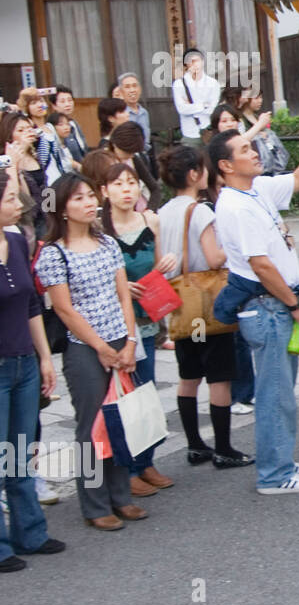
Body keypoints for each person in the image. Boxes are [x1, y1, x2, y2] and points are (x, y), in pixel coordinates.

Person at [210, 121, 299, 494]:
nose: (254, 152)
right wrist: (295, 304)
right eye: (245, 150)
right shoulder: (234, 206)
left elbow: (298, 181)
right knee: (274, 394)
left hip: (276, 306)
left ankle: (280, 459)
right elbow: (260, 265)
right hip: (268, 307)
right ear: (226, 166)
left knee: (280, 390)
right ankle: (274, 475)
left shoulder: (256, 189)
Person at [37, 173, 145, 531]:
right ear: (62, 209)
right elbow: (65, 309)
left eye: (89, 196)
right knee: (90, 426)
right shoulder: (53, 253)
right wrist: (100, 347)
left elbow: (122, 295)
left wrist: (130, 341)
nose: (89, 203)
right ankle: (94, 503)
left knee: (120, 419)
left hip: (120, 339)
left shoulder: (107, 243)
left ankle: (121, 496)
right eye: (79, 198)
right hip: (84, 346)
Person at [155, 145, 252, 467]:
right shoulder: (200, 212)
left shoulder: (164, 211)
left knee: (189, 376)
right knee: (219, 378)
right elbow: (213, 258)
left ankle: (196, 445)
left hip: (181, 304)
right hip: (207, 303)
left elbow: (162, 261)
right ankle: (224, 448)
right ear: (195, 174)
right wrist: (233, 246)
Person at [98, 161, 177, 496]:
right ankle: (126, 469)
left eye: (132, 183)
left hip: (147, 321)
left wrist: (165, 266)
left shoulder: (150, 220)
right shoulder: (100, 231)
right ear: (104, 191)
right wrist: (120, 287)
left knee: (146, 394)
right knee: (122, 397)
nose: (127, 189)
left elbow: (158, 267)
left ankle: (145, 462)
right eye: (118, 184)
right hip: (116, 327)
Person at [0, 170, 64, 572]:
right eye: (9, 196)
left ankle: (31, 533)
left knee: (20, 455)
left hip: (24, 362)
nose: (19, 203)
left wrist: (43, 358)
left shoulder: (16, 241)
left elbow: (31, 306)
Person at [0, 111, 47, 247]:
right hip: (24, 221)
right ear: (8, 134)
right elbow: (21, 197)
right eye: (20, 130)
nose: (27, 133)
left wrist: (53, 213)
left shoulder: (35, 155)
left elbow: (46, 186)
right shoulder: (6, 161)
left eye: (29, 128)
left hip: (44, 217)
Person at [107, 122, 162, 212]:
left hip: (139, 212)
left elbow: (154, 188)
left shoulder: (133, 160)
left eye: (133, 152)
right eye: (128, 152)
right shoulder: (104, 161)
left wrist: (150, 210)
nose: (131, 155)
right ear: (115, 144)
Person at [172, 49, 221, 146]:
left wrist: (192, 106)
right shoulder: (179, 84)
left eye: (197, 60)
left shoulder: (213, 83)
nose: (195, 64)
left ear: (203, 62)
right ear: (186, 65)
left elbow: (212, 109)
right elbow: (181, 109)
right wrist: (204, 105)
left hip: (209, 130)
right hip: (190, 133)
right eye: (191, 62)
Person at [117, 72, 151, 154]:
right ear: (121, 92)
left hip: (145, 154)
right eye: (127, 87)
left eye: (135, 86)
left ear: (140, 89)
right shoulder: (120, 114)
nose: (132, 90)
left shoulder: (144, 112)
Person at [52, 87, 88, 163]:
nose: (67, 104)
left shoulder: (74, 123)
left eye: (70, 100)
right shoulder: (53, 127)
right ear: (54, 106)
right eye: (62, 101)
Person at [44, 112, 78, 185]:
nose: (66, 127)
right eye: (61, 125)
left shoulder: (67, 144)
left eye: (67, 124)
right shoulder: (52, 148)